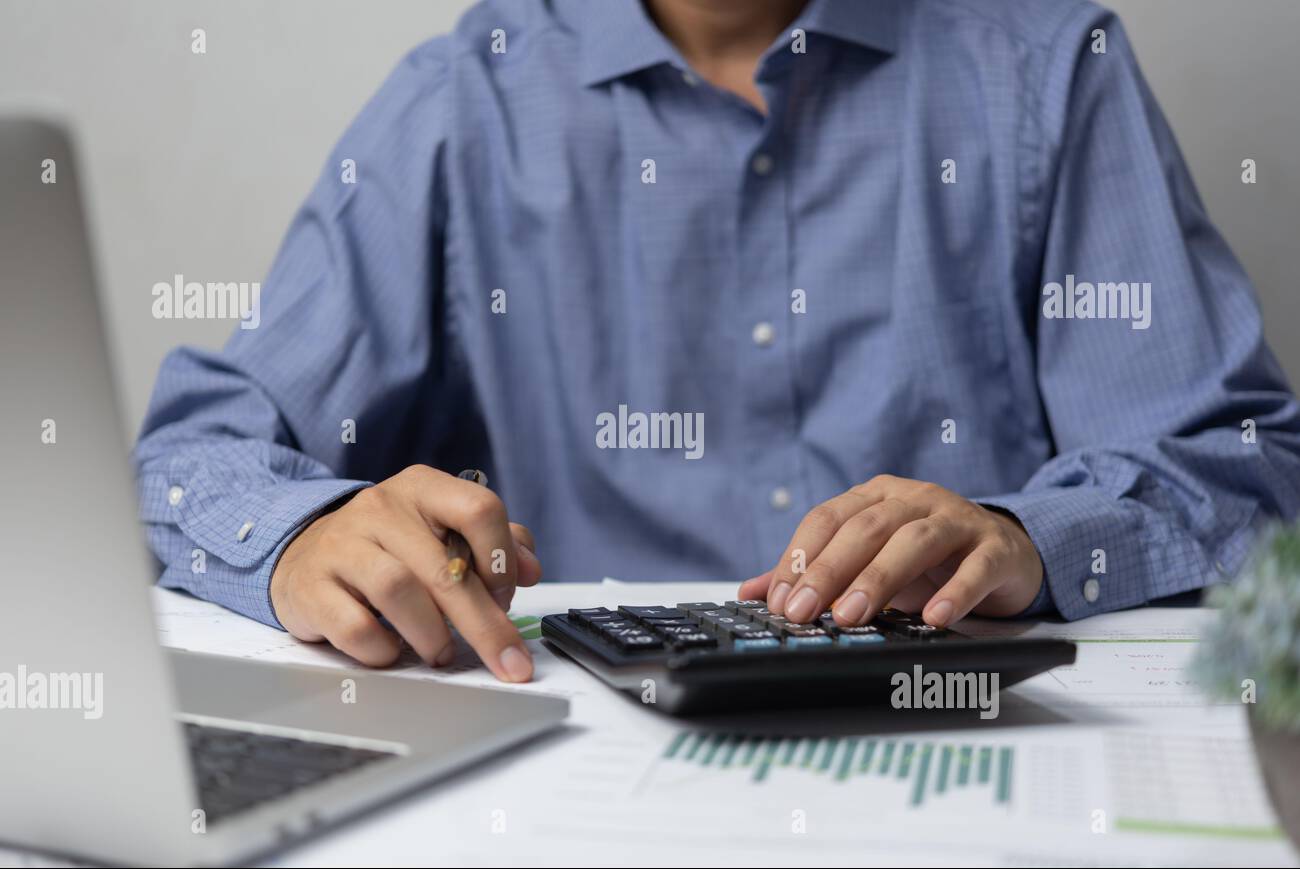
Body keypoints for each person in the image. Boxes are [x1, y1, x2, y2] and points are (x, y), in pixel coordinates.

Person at [134, 0, 1300, 682]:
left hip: (968, 730)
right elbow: (191, 454)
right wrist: (300, 537)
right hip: (570, 761)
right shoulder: (464, 100)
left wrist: (1024, 534)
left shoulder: (1047, 65)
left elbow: (1240, 467)